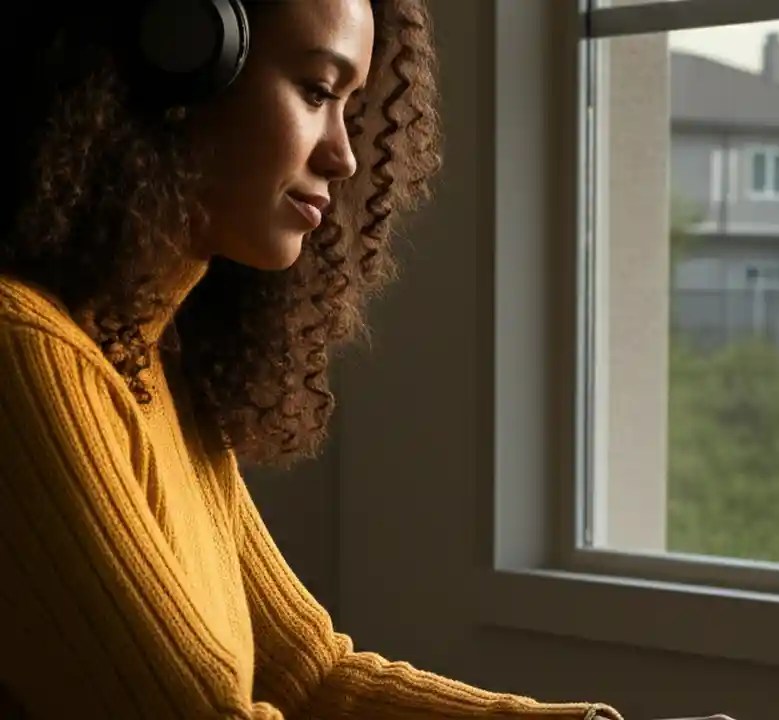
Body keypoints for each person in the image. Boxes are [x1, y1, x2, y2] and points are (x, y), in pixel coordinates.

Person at [0, 1, 651, 717]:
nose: (342, 155)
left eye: (350, 105)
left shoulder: (149, 360)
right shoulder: (23, 354)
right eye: (316, 92)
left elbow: (310, 678)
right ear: (179, 59)